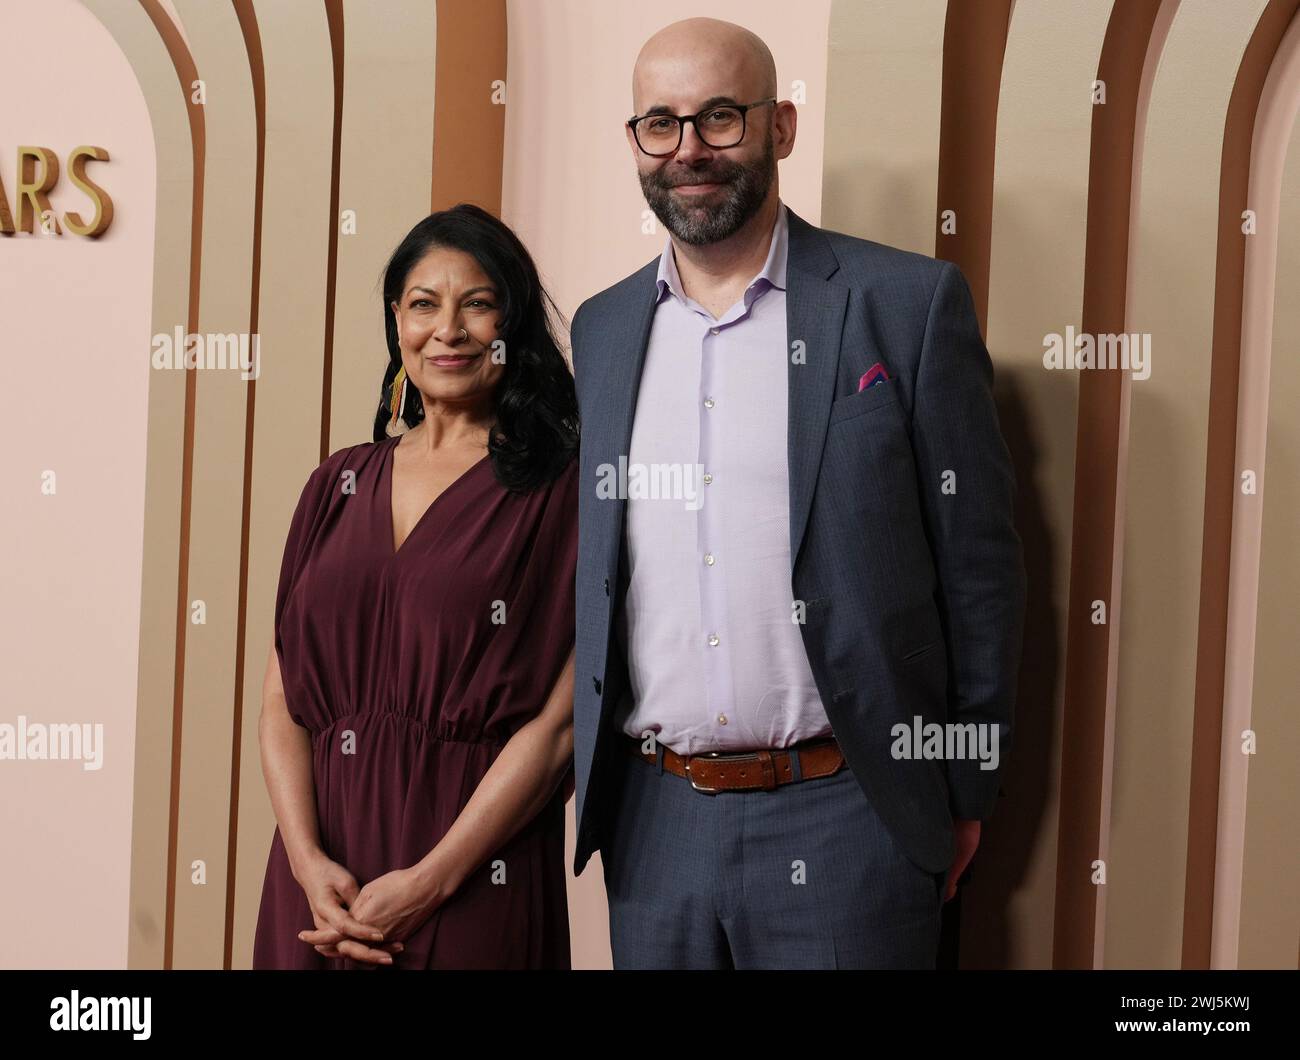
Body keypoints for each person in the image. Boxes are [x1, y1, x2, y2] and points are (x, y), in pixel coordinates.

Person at [569, 18, 1026, 969]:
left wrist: (963, 789)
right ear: (635, 142)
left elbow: (981, 570)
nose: (689, 149)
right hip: (656, 825)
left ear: (780, 125)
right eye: (662, 123)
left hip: (851, 814)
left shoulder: (906, 303)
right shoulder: (604, 330)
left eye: (720, 118)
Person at [252, 203, 580, 969]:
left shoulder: (563, 488)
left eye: (478, 303)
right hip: (319, 884)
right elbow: (281, 700)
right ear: (397, 321)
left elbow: (560, 727)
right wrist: (306, 863)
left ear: (513, 323)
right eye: (423, 304)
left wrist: (432, 882)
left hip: (472, 873)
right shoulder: (335, 483)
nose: (449, 330)